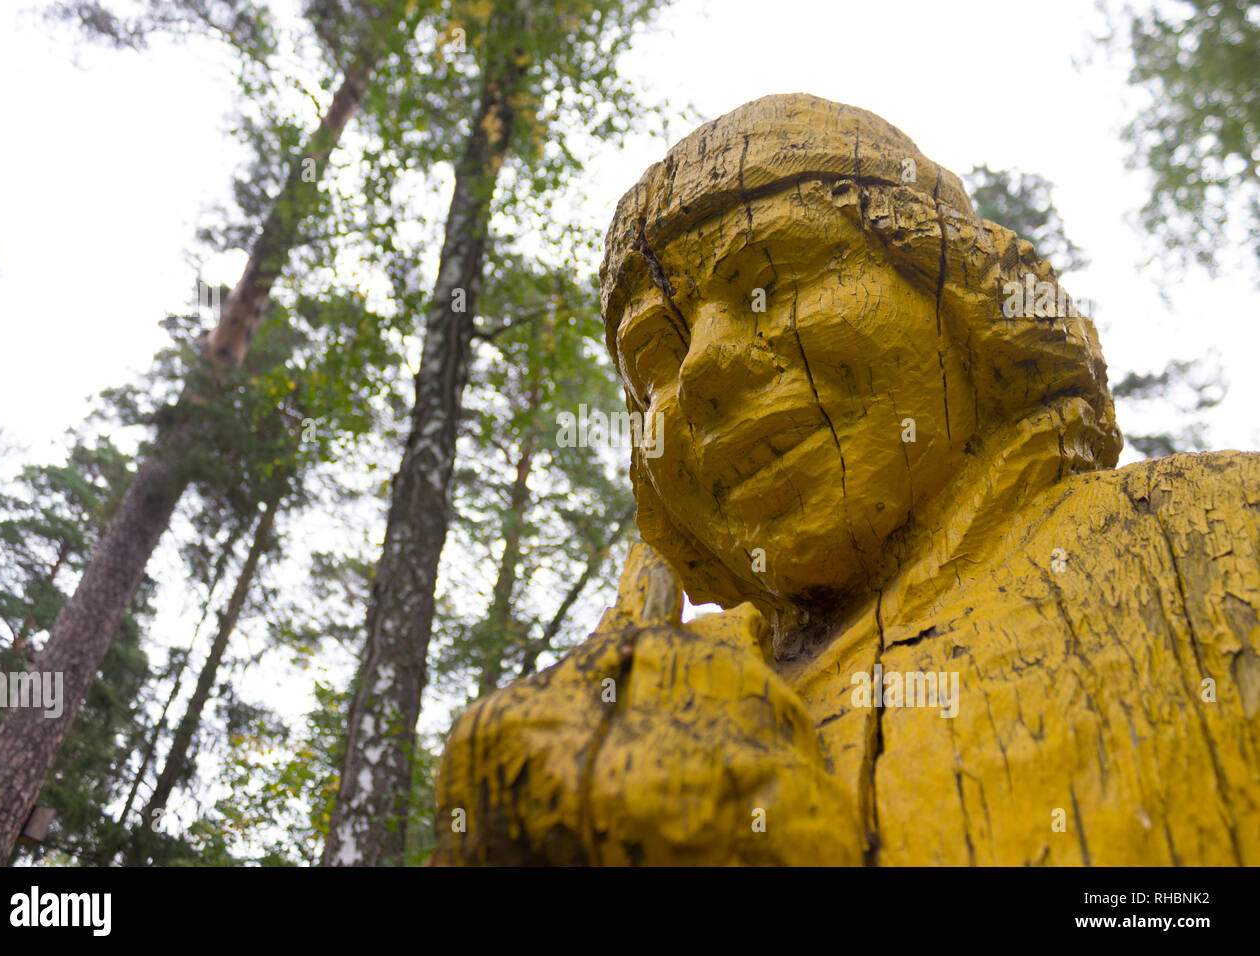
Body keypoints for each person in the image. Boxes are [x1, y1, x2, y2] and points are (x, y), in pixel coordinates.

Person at [432, 94, 1260, 865]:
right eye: (656, 359)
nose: (706, 366)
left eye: (772, 279)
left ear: (958, 296)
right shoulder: (631, 706)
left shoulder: (1213, 539)